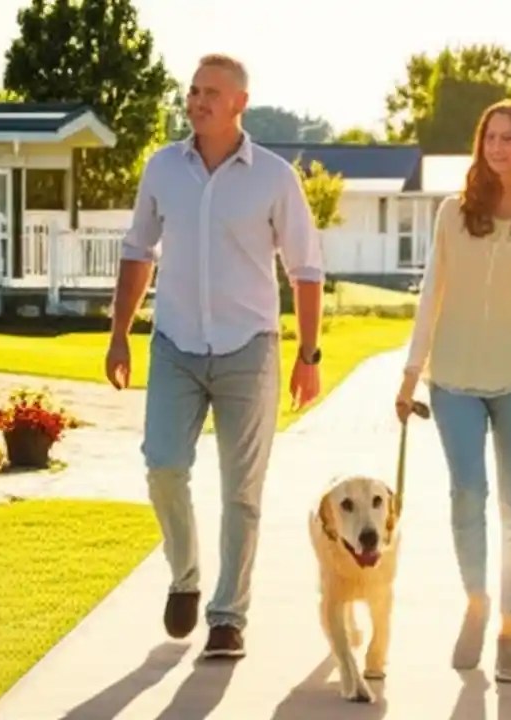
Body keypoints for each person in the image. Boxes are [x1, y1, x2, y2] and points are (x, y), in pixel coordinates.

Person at [106, 53, 325, 660]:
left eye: (211, 93)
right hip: (174, 343)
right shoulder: (162, 169)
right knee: (164, 468)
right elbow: (137, 250)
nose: (197, 101)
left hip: (248, 350)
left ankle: (228, 616)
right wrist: (119, 333)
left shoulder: (275, 177)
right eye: (194, 91)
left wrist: (309, 353)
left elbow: (306, 268)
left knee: (242, 492)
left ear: (239, 104)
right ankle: (185, 576)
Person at [395, 99, 511, 683]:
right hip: (454, 379)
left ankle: (507, 629)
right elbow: (431, 296)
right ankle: (475, 602)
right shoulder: (453, 213)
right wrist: (409, 373)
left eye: (508, 138)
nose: (497, 147)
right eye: (489, 137)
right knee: (466, 494)